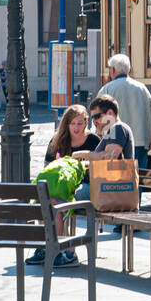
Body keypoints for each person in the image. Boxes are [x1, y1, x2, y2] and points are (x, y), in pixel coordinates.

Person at [26, 104, 102, 268]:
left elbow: (101, 169)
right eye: (73, 123)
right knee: (46, 199)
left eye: (80, 123)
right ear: (67, 124)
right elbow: (47, 167)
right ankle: (49, 248)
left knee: (55, 201)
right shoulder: (58, 141)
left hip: (86, 186)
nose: (76, 128)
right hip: (62, 186)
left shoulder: (93, 141)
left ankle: (59, 250)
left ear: (86, 122)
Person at [96, 53, 151, 170]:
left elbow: (100, 120)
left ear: (112, 70)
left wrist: (102, 139)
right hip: (140, 143)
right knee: (137, 178)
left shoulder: (106, 89)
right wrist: (150, 142)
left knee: (116, 178)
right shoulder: (142, 89)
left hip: (114, 144)